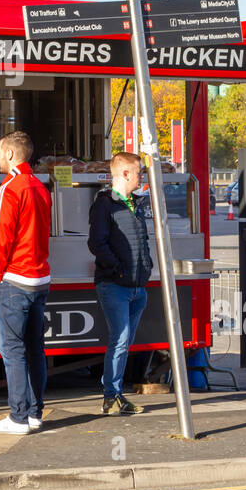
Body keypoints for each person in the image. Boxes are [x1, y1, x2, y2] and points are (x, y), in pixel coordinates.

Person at [0, 130, 52, 435]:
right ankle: (35, 413)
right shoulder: (40, 185)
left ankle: (18, 417)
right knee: (36, 347)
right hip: (40, 277)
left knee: (13, 350)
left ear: (11, 154)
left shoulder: (10, 187)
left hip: (14, 279)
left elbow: (3, 236)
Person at [87, 151, 151, 416]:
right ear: (125, 173)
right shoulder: (104, 204)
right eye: (139, 172)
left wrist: (146, 269)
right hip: (116, 284)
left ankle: (115, 395)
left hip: (137, 285)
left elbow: (142, 241)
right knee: (120, 340)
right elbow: (96, 243)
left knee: (124, 341)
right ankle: (111, 396)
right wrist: (118, 270)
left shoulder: (136, 203)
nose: (142, 176)